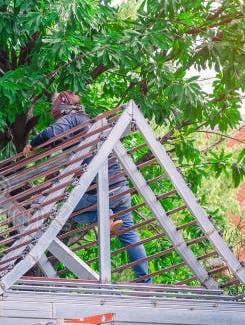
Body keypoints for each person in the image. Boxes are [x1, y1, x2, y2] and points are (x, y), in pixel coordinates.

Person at [23, 91, 151, 282]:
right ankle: (146, 282)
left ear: (61, 109)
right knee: (129, 234)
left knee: (64, 208)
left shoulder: (72, 119)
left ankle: (104, 213)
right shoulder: (89, 124)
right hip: (120, 188)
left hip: (103, 192)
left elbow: (51, 133)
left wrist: (32, 145)